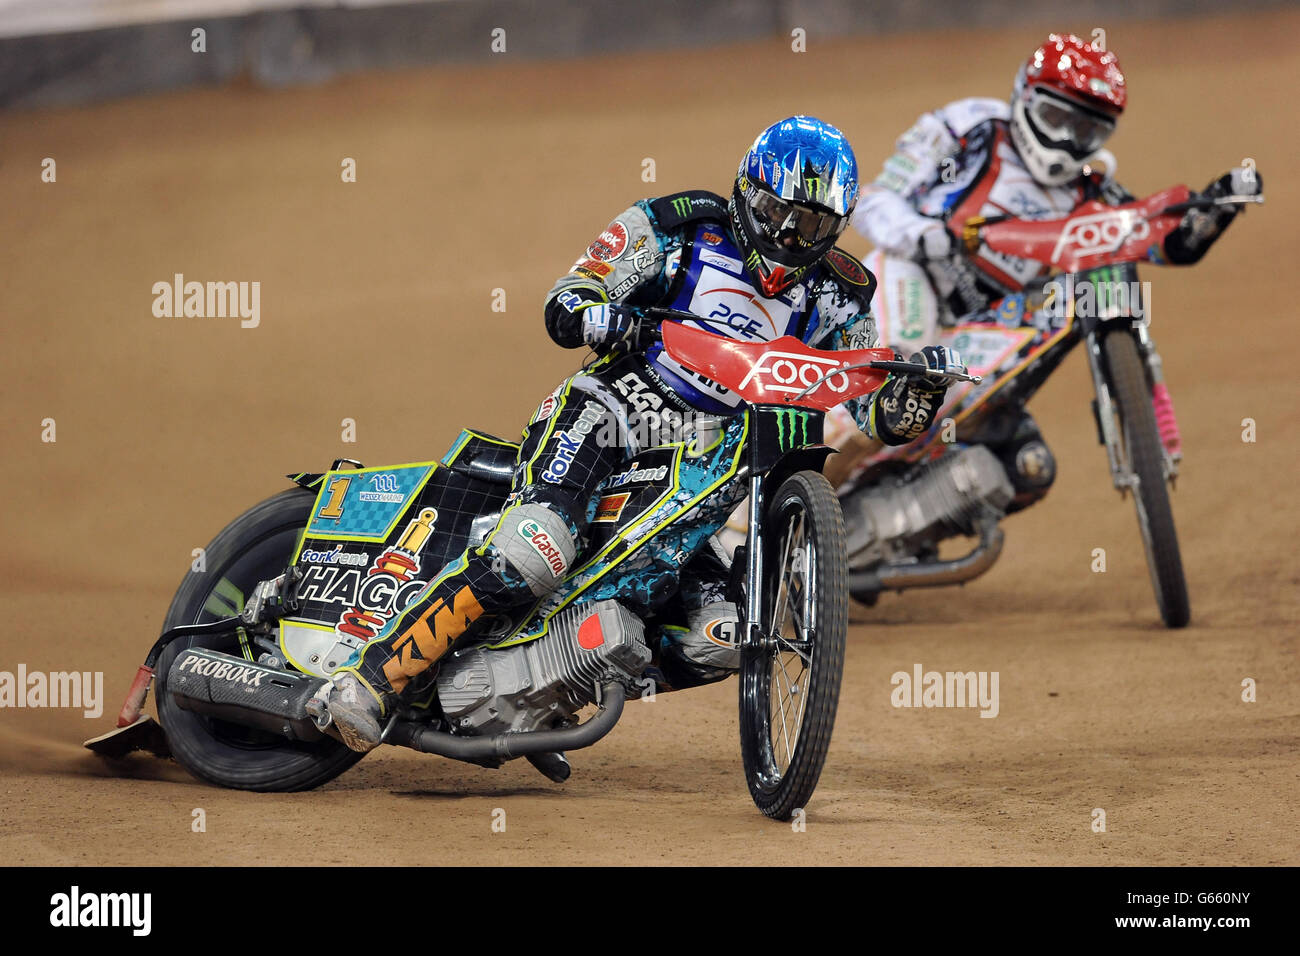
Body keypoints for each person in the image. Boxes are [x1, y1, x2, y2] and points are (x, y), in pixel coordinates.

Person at [320, 116, 967, 754]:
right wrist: (605, 318)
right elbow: (568, 299)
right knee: (533, 550)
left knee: (724, 634)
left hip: (715, 463)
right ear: (747, 191)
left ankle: (562, 671)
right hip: (610, 412)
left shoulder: (841, 294)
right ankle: (375, 679)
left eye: (815, 226)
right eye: (778, 214)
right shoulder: (676, 226)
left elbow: (871, 410)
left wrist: (915, 398)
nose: (792, 238)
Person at [825, 33, 1262, 501]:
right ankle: (762, 511)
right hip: (916, 275)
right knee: (897, 385)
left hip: (991, 324)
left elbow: (1155, 239)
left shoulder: (1092, 190)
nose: (1067, 142)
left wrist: (1210, 216)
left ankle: (885, 528)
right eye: (1057, 119)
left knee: (1028, 469)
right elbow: (872, 199)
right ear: (1025, 97)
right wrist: (923, 234)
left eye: (1087, 132)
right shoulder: (970, 127)